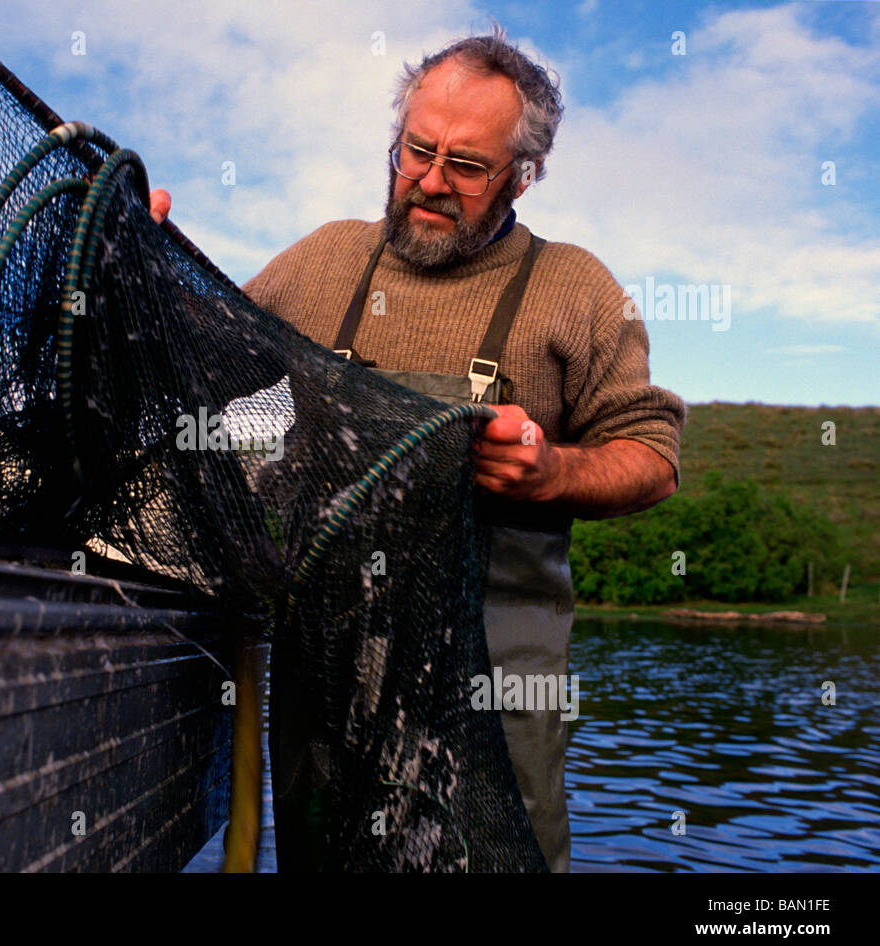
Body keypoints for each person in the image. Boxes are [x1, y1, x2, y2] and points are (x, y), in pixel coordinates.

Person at [151, 27, 686, 873]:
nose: (431, 182)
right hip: (324, 662)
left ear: (523, 174)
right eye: (417, 151)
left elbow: (652, 456)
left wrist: (553, 472)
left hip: (495, 681)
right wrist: (152, 269)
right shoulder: (324, 259)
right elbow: (196, 352)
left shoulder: (577, 287)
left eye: (467, 166)